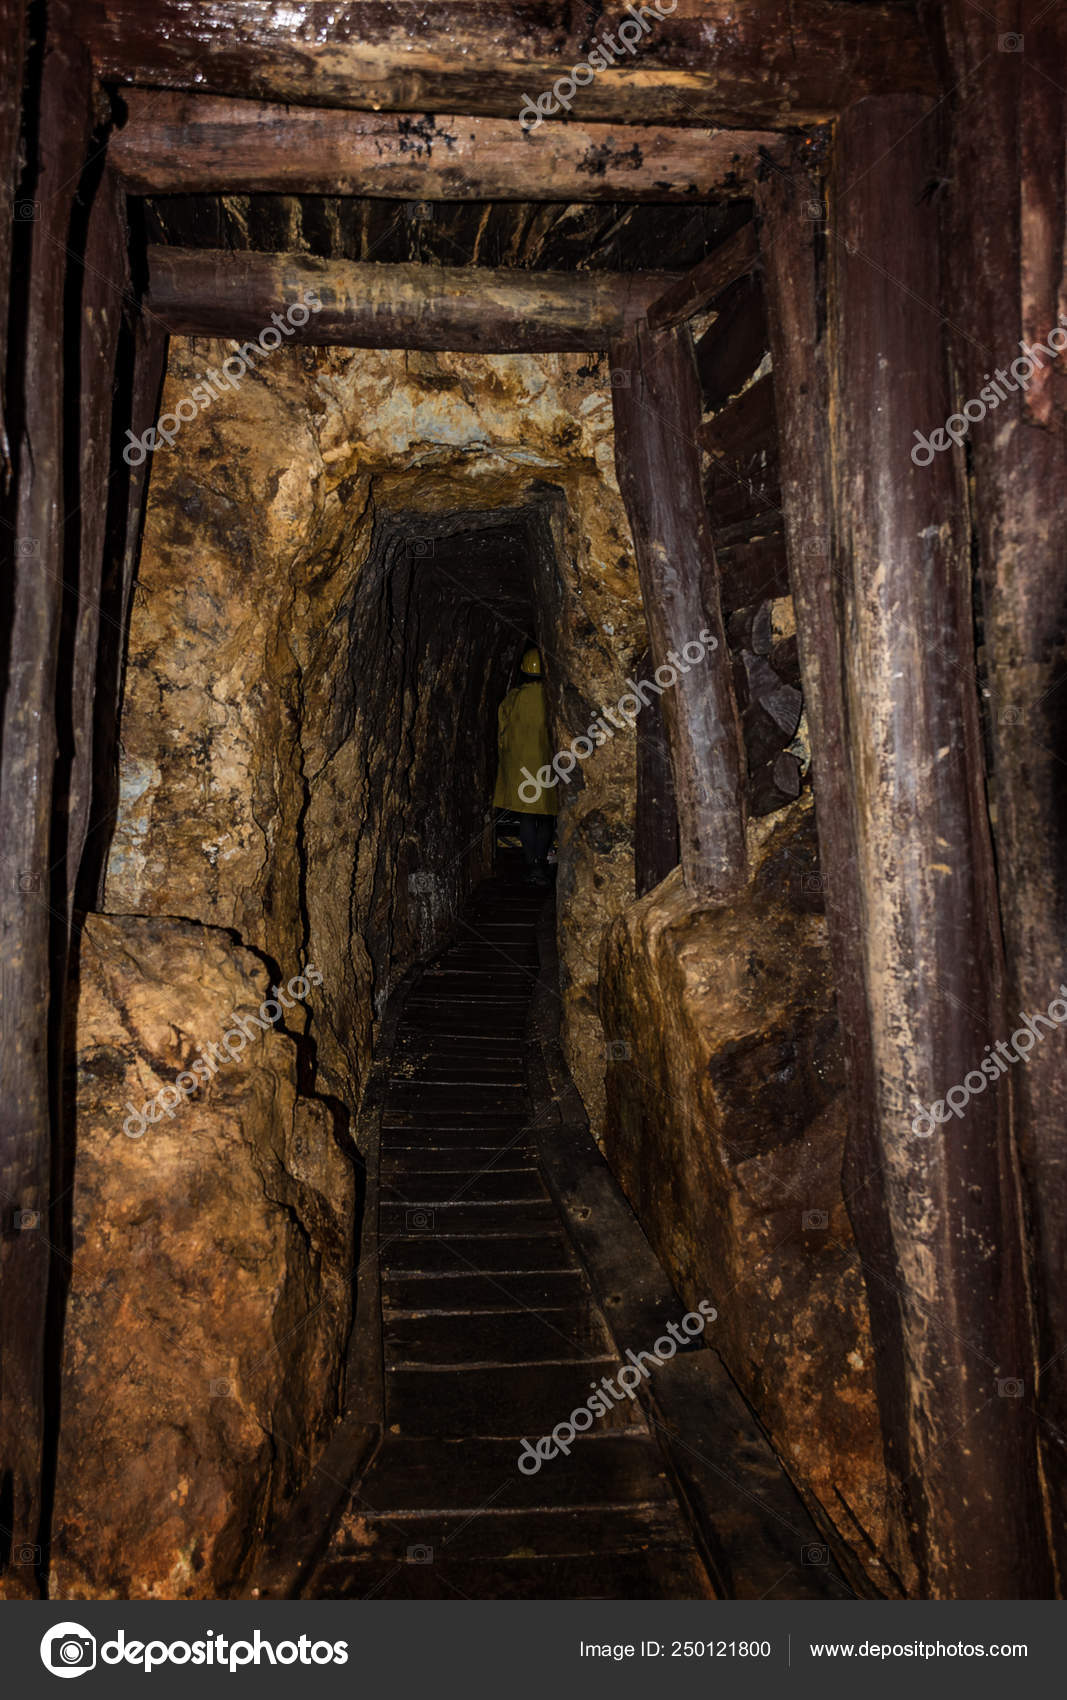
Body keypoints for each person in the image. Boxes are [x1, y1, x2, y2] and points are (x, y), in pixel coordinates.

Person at [493, 645, 558, 885]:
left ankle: (533, 865)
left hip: (521, 768)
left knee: (528, 817)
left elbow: (502, 734)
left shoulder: (513, 698)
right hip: (548, 766)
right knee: (548, 817)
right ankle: (541, 862)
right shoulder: (553, 697)